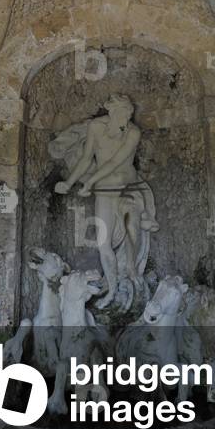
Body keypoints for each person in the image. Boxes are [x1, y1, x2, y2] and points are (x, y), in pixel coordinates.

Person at [53, 95, 158, 309]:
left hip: (128, 188)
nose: (127, 118)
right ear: (112, 112)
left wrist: (88, 183)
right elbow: (85, 158)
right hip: (105, 190)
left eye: (130, 114)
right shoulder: (95, 127)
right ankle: (111, 288)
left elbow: (113, 162)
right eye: (124, 113)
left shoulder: (133, 133)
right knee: (103, 245)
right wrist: (69, 182)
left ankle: (131, 271)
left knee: (131, 228)